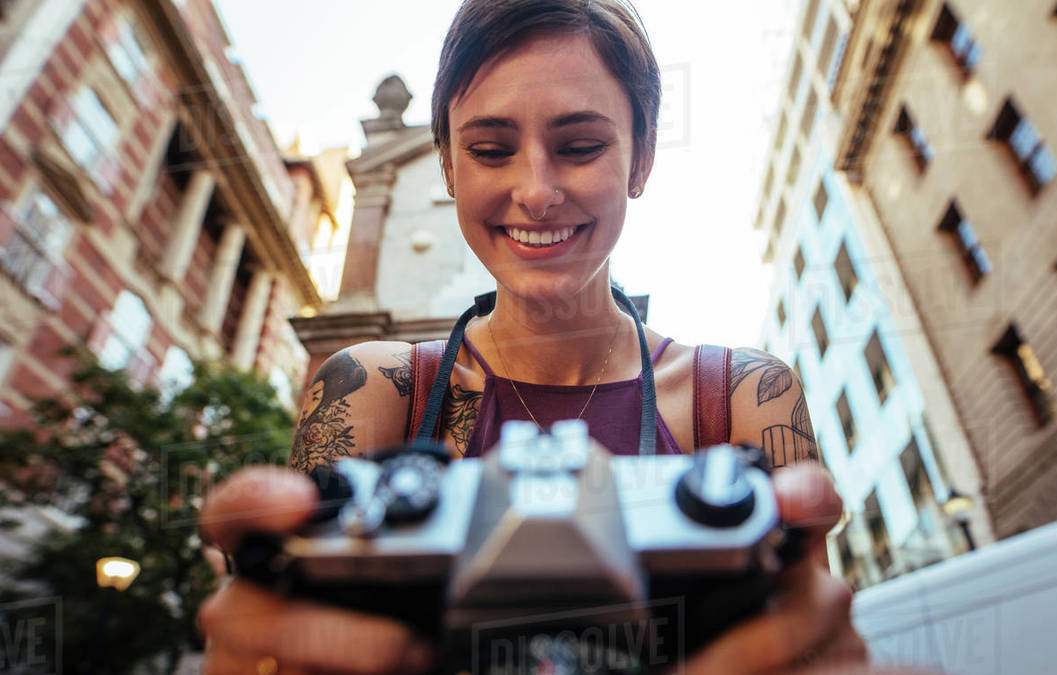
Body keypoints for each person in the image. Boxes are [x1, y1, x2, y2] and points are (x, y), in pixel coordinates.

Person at [197, 0, 874, 672]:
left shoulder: (740, 395)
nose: (536, 190)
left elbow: (807, 634)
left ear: (642, 160)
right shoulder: (373, 389)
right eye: (490, 150)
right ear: (448, 167)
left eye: (580, 146)